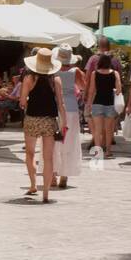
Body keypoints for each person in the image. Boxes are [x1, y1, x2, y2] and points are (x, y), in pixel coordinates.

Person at [20, 47, 68, 204]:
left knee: (30, 154)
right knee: (48, 158)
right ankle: (46, 193)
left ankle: (33, 184)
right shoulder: (56, 80)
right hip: (49, 120)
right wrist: (64, 123)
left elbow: (22, 102)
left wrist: (29, 103)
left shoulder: (28, 79)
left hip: (32, 119)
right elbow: (61, 104)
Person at [52, 44, 85, 188]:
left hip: (55, 107)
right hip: (71, 108)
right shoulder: (75, 71)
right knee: (69, 140)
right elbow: (83, 86)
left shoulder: (52, 70)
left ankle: (52, 174)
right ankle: (64, 175)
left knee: (52, 141)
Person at [84, 52, 123, 159]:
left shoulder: (94, 74)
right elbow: (119, 89)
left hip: (97, 103)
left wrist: (89, 104)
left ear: (99, 62)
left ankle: (97, 152)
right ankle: (108, 151)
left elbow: (92, 90)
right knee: (109, 129)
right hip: (110, 103)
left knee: (97, 130)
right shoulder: (115, 73)